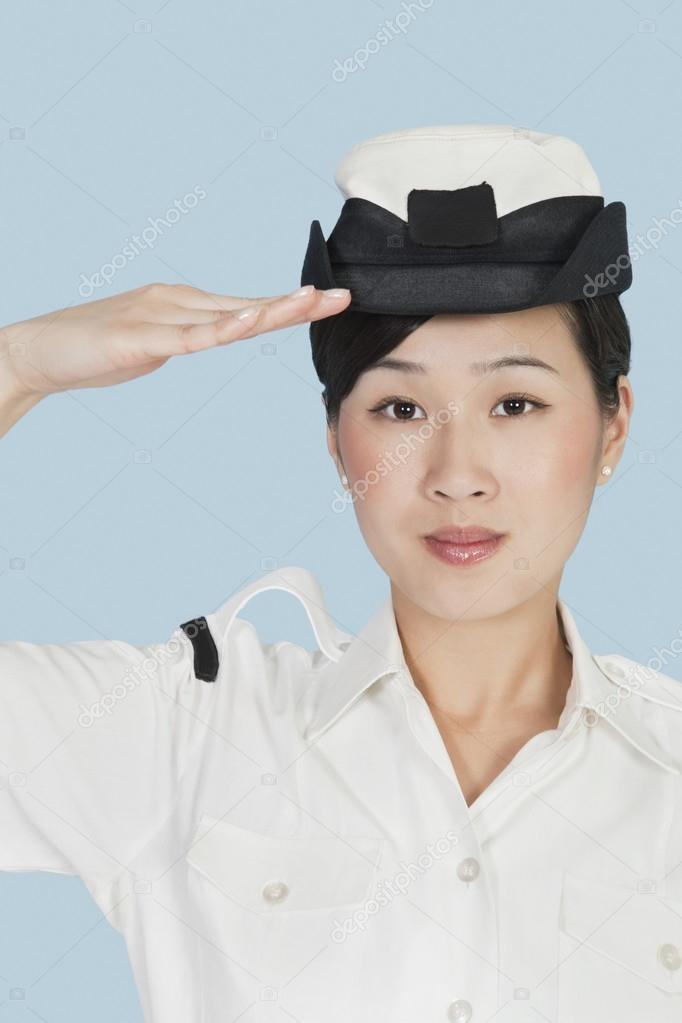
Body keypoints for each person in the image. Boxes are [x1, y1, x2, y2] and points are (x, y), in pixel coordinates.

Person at [1, 124, 681, 1023]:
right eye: (400, 406)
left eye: (516, 402)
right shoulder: (185, 736)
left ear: (614, 426)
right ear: (336, 444)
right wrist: (17, 365)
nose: (457, 470)